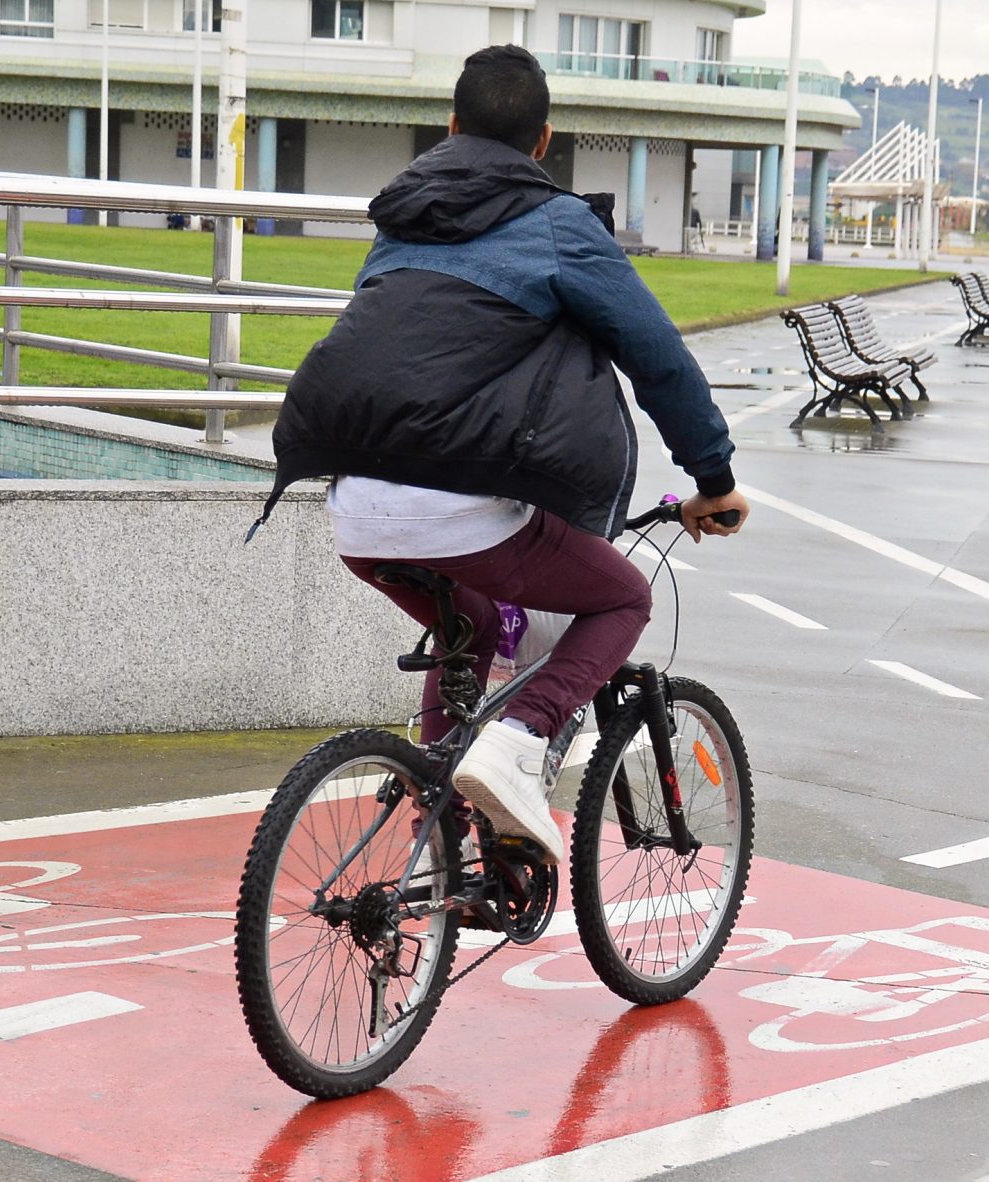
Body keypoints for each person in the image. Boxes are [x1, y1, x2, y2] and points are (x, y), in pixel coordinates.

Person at [266, 45, 748, 864]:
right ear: (543, 141)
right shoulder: (558, 224)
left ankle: (442, 833)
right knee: (623, 600)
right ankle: (519, 740)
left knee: (473, 628)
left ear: (450, 128)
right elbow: (656, 356)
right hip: (460, 504)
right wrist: (715, 479)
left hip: (352, 505)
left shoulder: (398, 220)